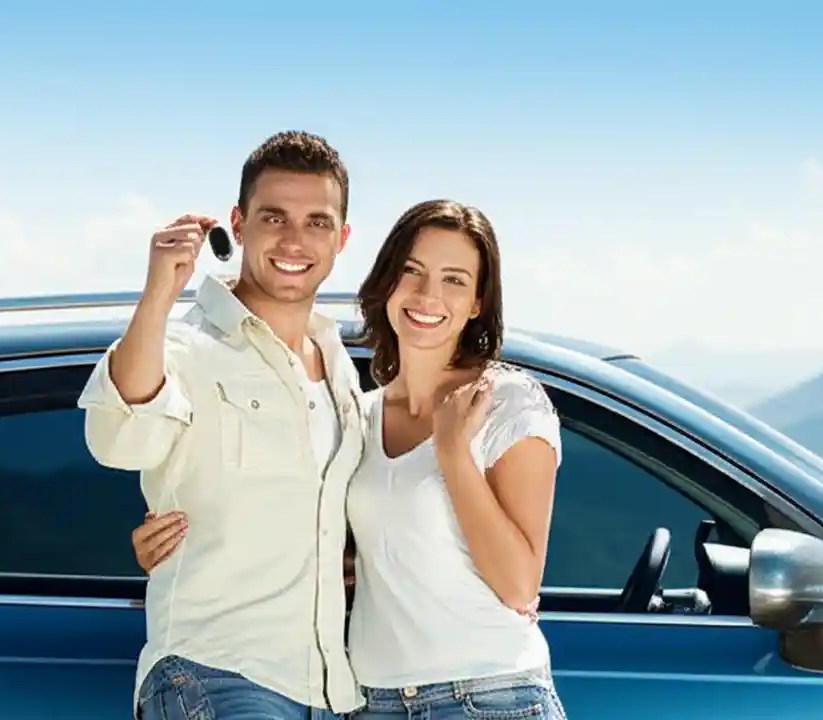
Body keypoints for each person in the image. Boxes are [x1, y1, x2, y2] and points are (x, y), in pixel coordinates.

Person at [134, 199, 569, 719]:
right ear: (387, 282)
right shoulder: (356, 415)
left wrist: (453, 453)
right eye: (412, 271)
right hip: (372, 702)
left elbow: (519, 583)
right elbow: (303, 531)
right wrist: (183, 542)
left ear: (478, 302)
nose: (428, 295)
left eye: (454, 280)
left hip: (489, 695)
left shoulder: (506, 403)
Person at [77, 130, 366, 719]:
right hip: (217, 671)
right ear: (238, 223)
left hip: (327, 690)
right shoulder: (187, 344)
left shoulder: (339, 366)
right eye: (274, 217)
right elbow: (117, 436)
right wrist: (160, 292)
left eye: (317, 221)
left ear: (342, 237)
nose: (294, 239)